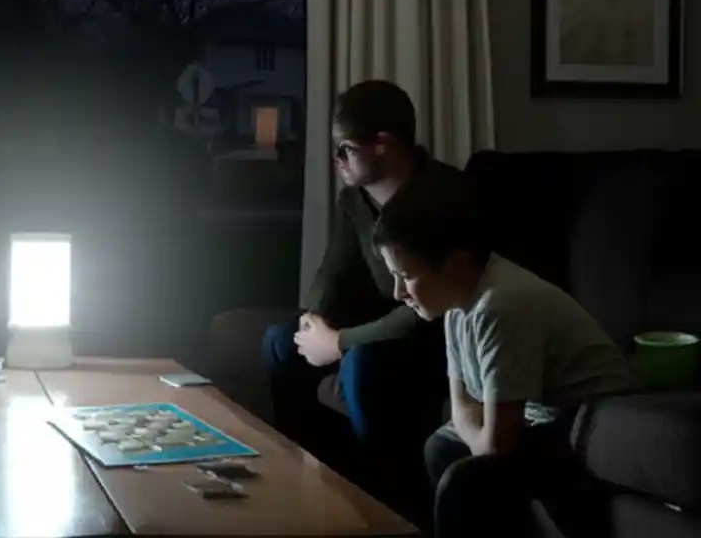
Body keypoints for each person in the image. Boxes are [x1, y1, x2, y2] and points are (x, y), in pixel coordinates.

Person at [373, 188, 635, 537]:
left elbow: (499, 443)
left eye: (405, 276)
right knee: (440, 447)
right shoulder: (456, 307)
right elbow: (462, 406)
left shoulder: (501, 304)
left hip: (591, 418)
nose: (398, 293)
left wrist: (481, 451)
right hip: (537, 418)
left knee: (465, 478)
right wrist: (479, 442)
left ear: (457, 262)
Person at [260, 80, 462, 515]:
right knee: (281, 341)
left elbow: (434, 311)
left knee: (364, 364)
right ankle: (307, 482)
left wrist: (340, 342)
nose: (337, 161)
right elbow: (334, 272)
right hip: (375, 329)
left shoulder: (446, 196)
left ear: (383, 146)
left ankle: (384, 508)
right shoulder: (354, 201)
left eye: (345, 149)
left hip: (431, 339)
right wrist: (314, 323)